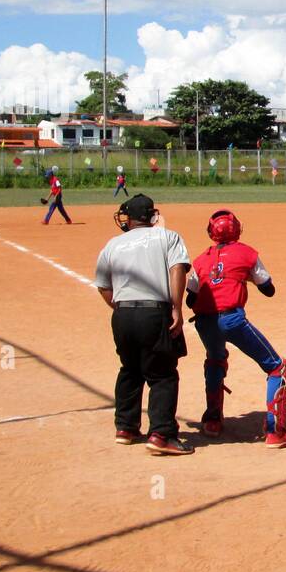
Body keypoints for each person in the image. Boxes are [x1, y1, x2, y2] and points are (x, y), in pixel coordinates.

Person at [188, 210, 286, 448]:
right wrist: (243, 276)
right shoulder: (247, 252)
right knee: (277, 368)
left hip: (204, 321)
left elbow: (190, 299)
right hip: (232, 319)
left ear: (211, 232)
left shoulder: (200, 260)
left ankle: (212, 420)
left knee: (215, 359)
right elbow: (268, 289)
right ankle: (276, 432)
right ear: (238, 229)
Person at [93, 193, 193, 455]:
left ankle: (125, 428)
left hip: (123, 313)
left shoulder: (113, 244)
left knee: (130, 369)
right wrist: (176, 306)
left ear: (129, 219)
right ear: (152, 216)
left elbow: (103, 286)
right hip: (154, 312)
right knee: (162, 374)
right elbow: (177, 269)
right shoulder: (168, 236)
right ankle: (162, 434)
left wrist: (121, 308)